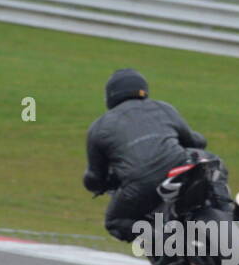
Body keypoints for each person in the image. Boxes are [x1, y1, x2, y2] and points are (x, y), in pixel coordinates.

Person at [83, 69, 225, 243]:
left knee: (115, 222)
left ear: (110, 95)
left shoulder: (98, 127)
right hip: (178, 164)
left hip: (141, 183)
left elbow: (94, 176)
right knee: (213, 162)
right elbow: (192, 140)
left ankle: (164, 240)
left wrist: (99, 185)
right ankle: (228, 212)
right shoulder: (163, 107)